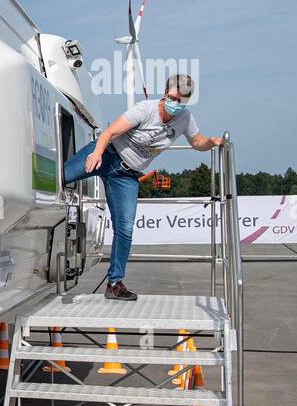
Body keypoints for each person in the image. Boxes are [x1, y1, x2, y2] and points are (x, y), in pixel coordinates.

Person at [64, 74, 223, 301]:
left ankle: (114, 283)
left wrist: (212, 142)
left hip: (127, 175)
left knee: (125, 228)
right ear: (164, 94)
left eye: (180, 101)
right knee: (60, 177)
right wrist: (96, 154)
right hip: (107, 154)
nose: (175, 104)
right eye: (171, 98)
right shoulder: (145, 110)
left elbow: (197, 142)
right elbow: (109, 133)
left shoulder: (185, 119)